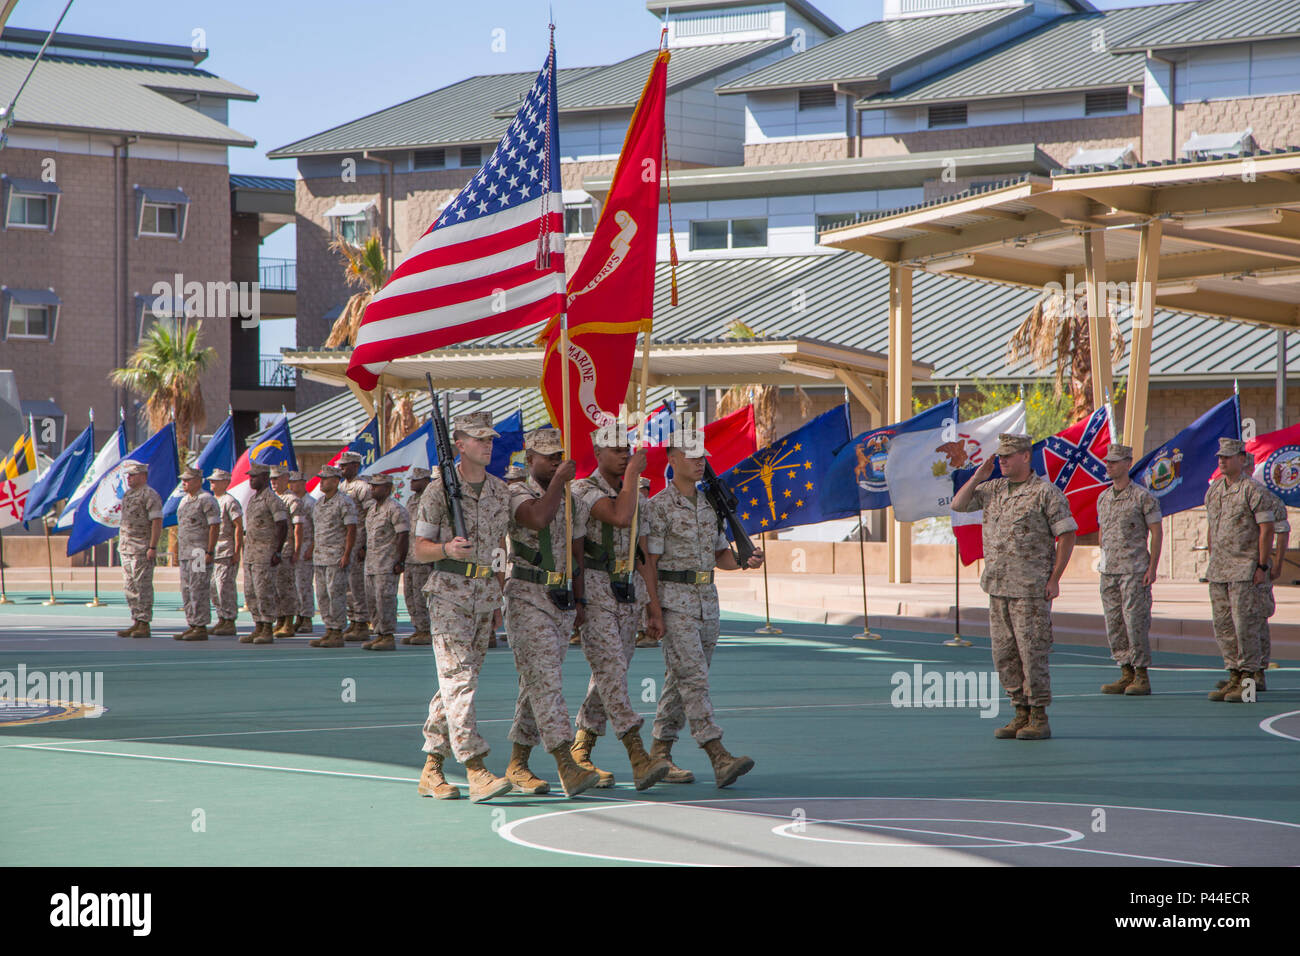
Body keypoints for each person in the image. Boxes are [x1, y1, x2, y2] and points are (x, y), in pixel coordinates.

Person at [643, 432, 764, 788]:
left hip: (706, 601)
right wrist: (653, 610)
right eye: (691, 455)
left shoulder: (709, 504)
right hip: (673, 600)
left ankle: (660, 752)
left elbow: (718, 556)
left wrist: (744, 560)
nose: (700, 462)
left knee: (681, 681)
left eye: (702, 456)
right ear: (672, 458)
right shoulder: (659, 507)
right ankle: (717, 754)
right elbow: (648, 562)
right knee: (694, 678)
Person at [412, 411, 513, 803]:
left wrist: (501, 591)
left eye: (490, 439)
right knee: (461, 682)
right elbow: (419, 550)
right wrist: (446, 549)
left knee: (455, 684)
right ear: (460, 444)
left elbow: (501, 549)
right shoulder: (437, 491)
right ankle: (476, 767)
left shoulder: (500, 491)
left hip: (484, 595)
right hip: (449, 594)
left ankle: (431, 770)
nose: (488, 444)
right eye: (479, 439)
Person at [951, 433, 1076, 740]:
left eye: (1008, 455)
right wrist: (979, 475)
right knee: (1004, 654)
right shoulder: (993, 489)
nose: (1002, 460)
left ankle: (1038, 716)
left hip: (1030, 589)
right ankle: (1019, 712)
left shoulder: (1045, 493)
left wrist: (1055, 578)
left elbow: (1067, 534)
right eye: (1000, 456)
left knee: (1031, 653)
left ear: (1025, 456)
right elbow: (958, 504)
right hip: (998, 586)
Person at [501, 426, 601, 798]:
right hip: (527, 594)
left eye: (560, 456)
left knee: (535, 685)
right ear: (530, 461)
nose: (556, 462)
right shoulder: (516, 492)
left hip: (560, 599)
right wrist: (560, 481)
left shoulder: (571, 499)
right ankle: (565, 762)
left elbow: (577, 553)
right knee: (546, 682)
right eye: (548, 457)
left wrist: (581, 599)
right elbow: (537, 519)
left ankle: (517, 764)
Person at [571, 428, 672, 789]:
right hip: (595, 590)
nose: (622, 455)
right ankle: (638, 755)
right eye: (614, 450)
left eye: (626, 449)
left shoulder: (638, 498)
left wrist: (654, 607)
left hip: (627, 591)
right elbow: (618, 516)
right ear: (598, 452)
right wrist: (632, 476)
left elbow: (642, 554)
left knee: (608, 677)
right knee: (612, 670)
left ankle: (580, 750)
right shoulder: (583, 490)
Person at [1204, 438, 1274, 701]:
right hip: (1219, 570)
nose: (1222, 460)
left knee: (1245, 627)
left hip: (1245, 570)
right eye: (1220, 457)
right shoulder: (1214, 491)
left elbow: (1267, 530)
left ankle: (1249, 684)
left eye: (1228, 457)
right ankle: (1234, 675)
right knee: (1223, 627)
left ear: (1242, 459)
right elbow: (1212, 528)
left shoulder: (1253, 490)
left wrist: (1262, 566)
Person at [1095, 444, 1162, 695]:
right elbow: (1102, 531)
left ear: (1127, 463)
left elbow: (1156, 533)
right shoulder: (1103, 497)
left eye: (1114, 462)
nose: (1108, 465)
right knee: (1114, 623)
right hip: (1109, 570)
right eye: (1107, 462)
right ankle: (1126, 671)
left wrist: (1152, 567)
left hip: (1134, 570)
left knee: (1135, 622)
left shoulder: (1143, 497)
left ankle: (1142, 675)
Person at [1250, 452, 1288, 691]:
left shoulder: (1269, 500)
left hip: (1257, 570)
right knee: (1237, 624)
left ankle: (1256, 675)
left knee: (1256, 621)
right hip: (1232, 572)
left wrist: (1276, 564)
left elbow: (1281, 533)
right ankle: (1241, 677)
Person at [308, 465, 357, 648]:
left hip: (336, 557)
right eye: (321, 478)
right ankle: (329, 629)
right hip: (320, 557)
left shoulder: (344, 502)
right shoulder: (319, 503)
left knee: (335, 594)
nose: (321, 482)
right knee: (322, 595)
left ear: (336, 481)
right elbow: (317, 530)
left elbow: (351, 529)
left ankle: (337, 631)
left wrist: (347, 554)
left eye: (325, 479)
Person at [240, 462, 289, 644]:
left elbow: (282, 526)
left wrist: (277, 551)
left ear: (265, 478)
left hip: (265, 554)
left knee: (264, 592)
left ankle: (268, 627)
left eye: (255, 477)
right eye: (250, 477)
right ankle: (258, 626)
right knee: (250, 592)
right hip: (251, 554)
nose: (251, 480)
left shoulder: (273, 500)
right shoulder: (253, 500)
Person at [170, 466, 221, 641]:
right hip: (186, 552)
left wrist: (210, 550)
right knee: (186, 589)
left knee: (198, 588)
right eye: (183, 480)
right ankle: (192, 623)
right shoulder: (184, 500)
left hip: (199, 552)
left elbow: (214, 526)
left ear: (198, 481)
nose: (184, 483)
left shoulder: (206, 500)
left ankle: (200, 626)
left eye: (188, 480)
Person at [361, 472, 409, 652]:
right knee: (372, 601)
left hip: (387, 564)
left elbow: (403, 536)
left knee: (385, 600)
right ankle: (379, 634)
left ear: (388, 488)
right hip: (371, 564)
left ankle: (387, 636)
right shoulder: (372, 510)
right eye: (371, 485)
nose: (372, 489)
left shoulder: (395, 509)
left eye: (377, 486)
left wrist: (400, 561)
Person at [115, 461, 163, 639]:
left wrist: (152, 546)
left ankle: (144, 623)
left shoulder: (150, 495)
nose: (129, 478)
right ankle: (136, 620)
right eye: (128, 475)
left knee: (142, 586)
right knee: (129, 586)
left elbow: (157, 522)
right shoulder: (128, 495)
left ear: (143, 475)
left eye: (132, 475)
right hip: (127, 548)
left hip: (142, 548)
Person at [339, 451, 374, 642]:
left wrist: (365, 545)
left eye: (345, 466)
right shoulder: (343, 487)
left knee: (357, 584)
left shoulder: (363, 487)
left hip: (359, 541)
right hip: (346, 542)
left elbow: (371, 516)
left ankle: (362, 622)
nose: (341, 469)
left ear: (355, 466)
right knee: (348, 585)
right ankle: (352, 620)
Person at [208, 468, 243, 636]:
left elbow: (238, 526)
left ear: (225, 482)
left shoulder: (229, 501)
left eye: (215, 481)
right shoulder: (211, 501)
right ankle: (221, 618)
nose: (211, 483)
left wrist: (237, 551)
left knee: (224, 586)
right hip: (213, 551)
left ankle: (229, 620)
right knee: (213, 587)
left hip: (226, 550)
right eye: (211, 481)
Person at [401, 467, 434, 646]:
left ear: (425, 481)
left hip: (424, 557)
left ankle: (427, 629)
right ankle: (418, 628)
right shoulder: (412, 500)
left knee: (422, 596)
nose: (412, 483)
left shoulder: (431, 500)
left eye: (415, 480)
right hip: (410, 556)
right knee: (410, 595)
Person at [271, 466, 304, 638]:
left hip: (286, 549)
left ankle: (289, 623)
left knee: (286, 587)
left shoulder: (293, 500)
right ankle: (280, 620)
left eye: (277, 478)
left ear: (286, 479)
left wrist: (297, 551)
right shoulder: (273, 498)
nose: (273, 482)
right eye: (272, 479)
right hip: (274, 550)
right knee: (276, 587)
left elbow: (298, 527)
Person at [288, 471, 316, 634]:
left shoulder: (310, 503)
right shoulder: (292, 501)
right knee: (293, 585)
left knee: (304, 584)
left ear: (304, 483)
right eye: (291, 482)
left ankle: (306, 618)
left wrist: (311, 548)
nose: (293, 485)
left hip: (306, 546)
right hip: (292, 547)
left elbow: (317, 527)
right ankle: (298, 615)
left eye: (296, 482)